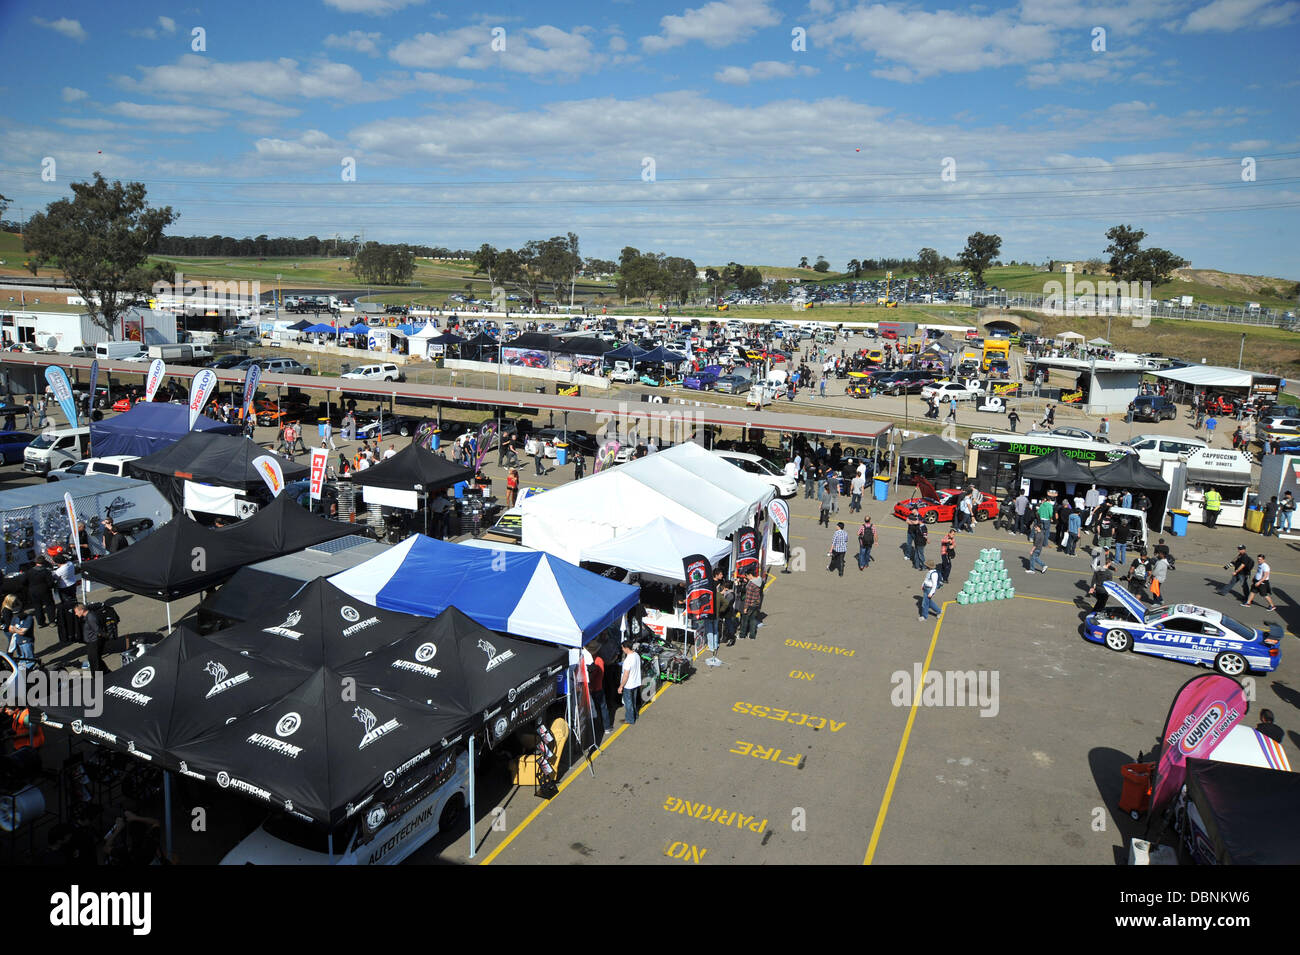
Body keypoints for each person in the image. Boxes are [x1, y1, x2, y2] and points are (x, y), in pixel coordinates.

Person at [736, 570, 762, 641]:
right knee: (753, 620)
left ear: (750, 575)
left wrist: (745, 608)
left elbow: (748, 598)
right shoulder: (759, 581)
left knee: (744, 620)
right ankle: (752, 636)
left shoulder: (751, 585)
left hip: (750, 605)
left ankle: (742, 635)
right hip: (756, 604)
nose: (747, 577)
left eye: (747, 576)